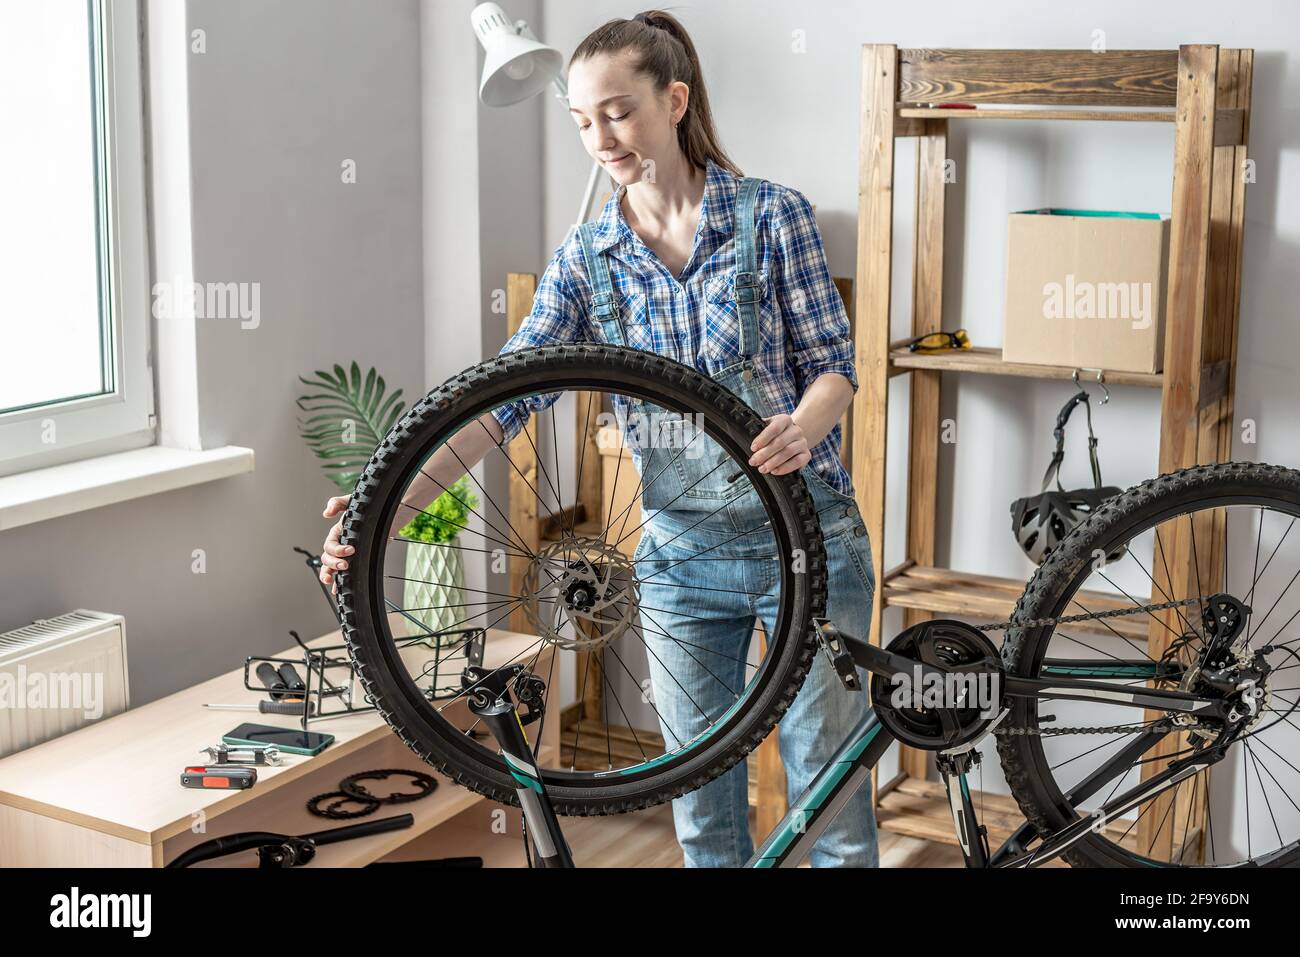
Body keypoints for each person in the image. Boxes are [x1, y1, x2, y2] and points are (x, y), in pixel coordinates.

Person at [321, 9, 878, 868]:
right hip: (682, 560)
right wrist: (382, 509)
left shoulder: (774, 218)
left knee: (829, 794)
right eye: (582, 121)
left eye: (617, 111)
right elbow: (496, 405)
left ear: (674, 100)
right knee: (701, 800)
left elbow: (837, 367)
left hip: (808, 544)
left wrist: (803, 425)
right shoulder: (587, 258)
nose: (601, 137)